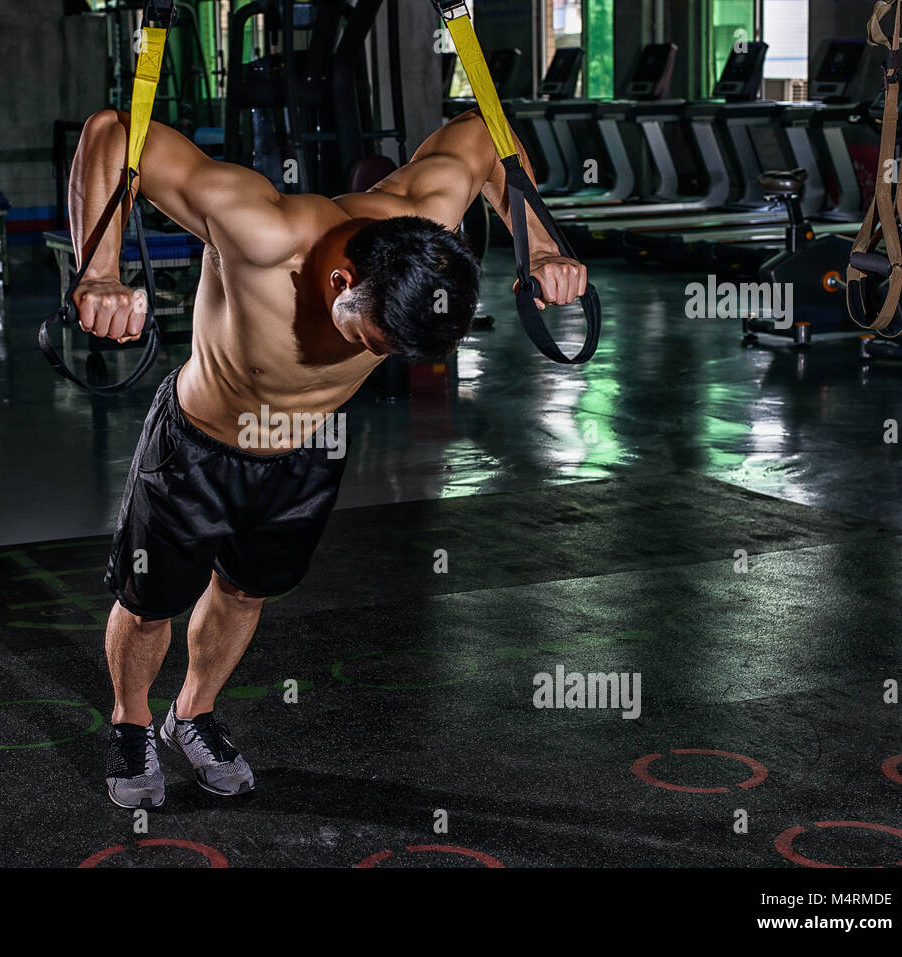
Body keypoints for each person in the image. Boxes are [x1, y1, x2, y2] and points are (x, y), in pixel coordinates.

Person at [69, 108, 589, 808]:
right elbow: (112, 132)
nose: (377, 358)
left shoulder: (425, 210)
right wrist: (98, 269)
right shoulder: (258, 229)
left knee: (246, 591)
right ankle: (131, 724)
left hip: (306, 456)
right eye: (376, 340)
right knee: (149, 604)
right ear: (342, 282)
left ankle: (191, 714)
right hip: (197, 447)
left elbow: (483, 131)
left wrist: (542, 246)